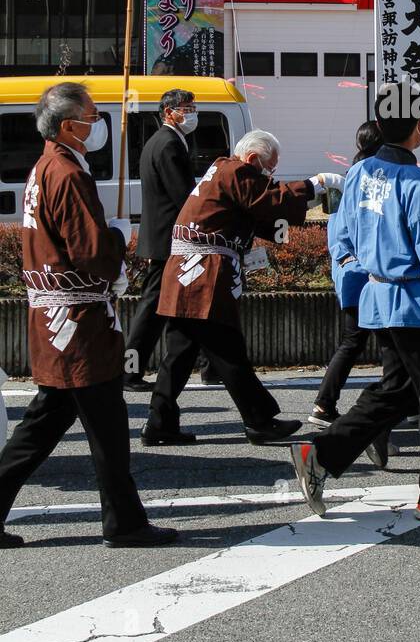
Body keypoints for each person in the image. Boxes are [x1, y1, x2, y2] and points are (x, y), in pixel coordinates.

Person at [291, 83, 420, 525]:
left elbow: (347, 236)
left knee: (398, 390)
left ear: (379, 126)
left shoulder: (360, 174)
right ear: (418, 128)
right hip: (418, 304)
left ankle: (320, 454)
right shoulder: (417, 182)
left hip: (378, 299)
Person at [0, 83, 175, 549]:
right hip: (78, 323)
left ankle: (124, 521)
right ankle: (125, 522)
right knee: (107, 428)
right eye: (91, 116)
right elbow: (92, 252)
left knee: (43, 426)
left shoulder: (44, 167)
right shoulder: (67, 174)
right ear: (68, 125)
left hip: (56, 319)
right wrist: (117, 238)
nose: (97, 124)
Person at [143, 130, 343, 447]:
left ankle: (159, 423)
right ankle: (259, 420)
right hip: (202, 276)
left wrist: (304, 205)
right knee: (227, 350)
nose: (271, 175)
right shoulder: (236, 171)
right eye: (270, 168)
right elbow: (268, 200)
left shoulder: (222, 172)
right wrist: (312, 185)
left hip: (184, 273)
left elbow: (260, 214)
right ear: (252, 160)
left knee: (179, 355)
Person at [307, 120, 392, 440]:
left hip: (349, 271)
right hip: (365, 274)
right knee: (382, 344)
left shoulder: (350, 177)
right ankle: (374, 411)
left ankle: (326, 405)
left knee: (357, 341)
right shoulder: (372, 176)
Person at [125, 88, 202, 393]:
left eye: (193, 107)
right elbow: (182, 194)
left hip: (162, 238)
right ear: (169, 112)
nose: (192, 112)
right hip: (167, 239)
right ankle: (128, 369)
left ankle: (207, 365)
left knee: (160, 307)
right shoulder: (169, 143)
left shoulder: (163, 140)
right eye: (186, 107)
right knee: (151, 308)